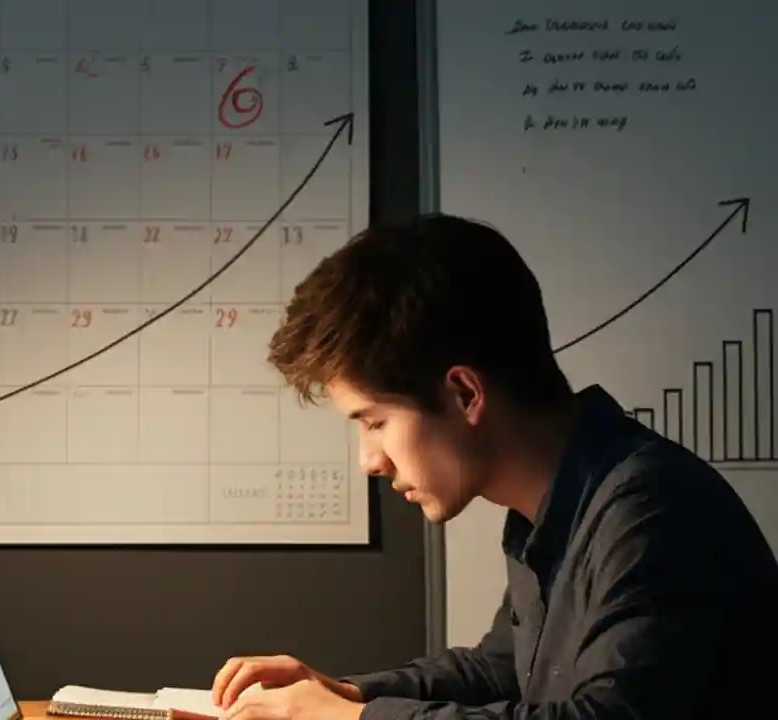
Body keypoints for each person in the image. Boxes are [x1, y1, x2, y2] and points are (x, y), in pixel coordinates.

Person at [208, 214, 778, 719]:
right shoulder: (556, 506)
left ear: (464, 394)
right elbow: (501, 669)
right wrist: (346, 693)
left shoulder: (652, 510)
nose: (369, 461)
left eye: (375, 421)